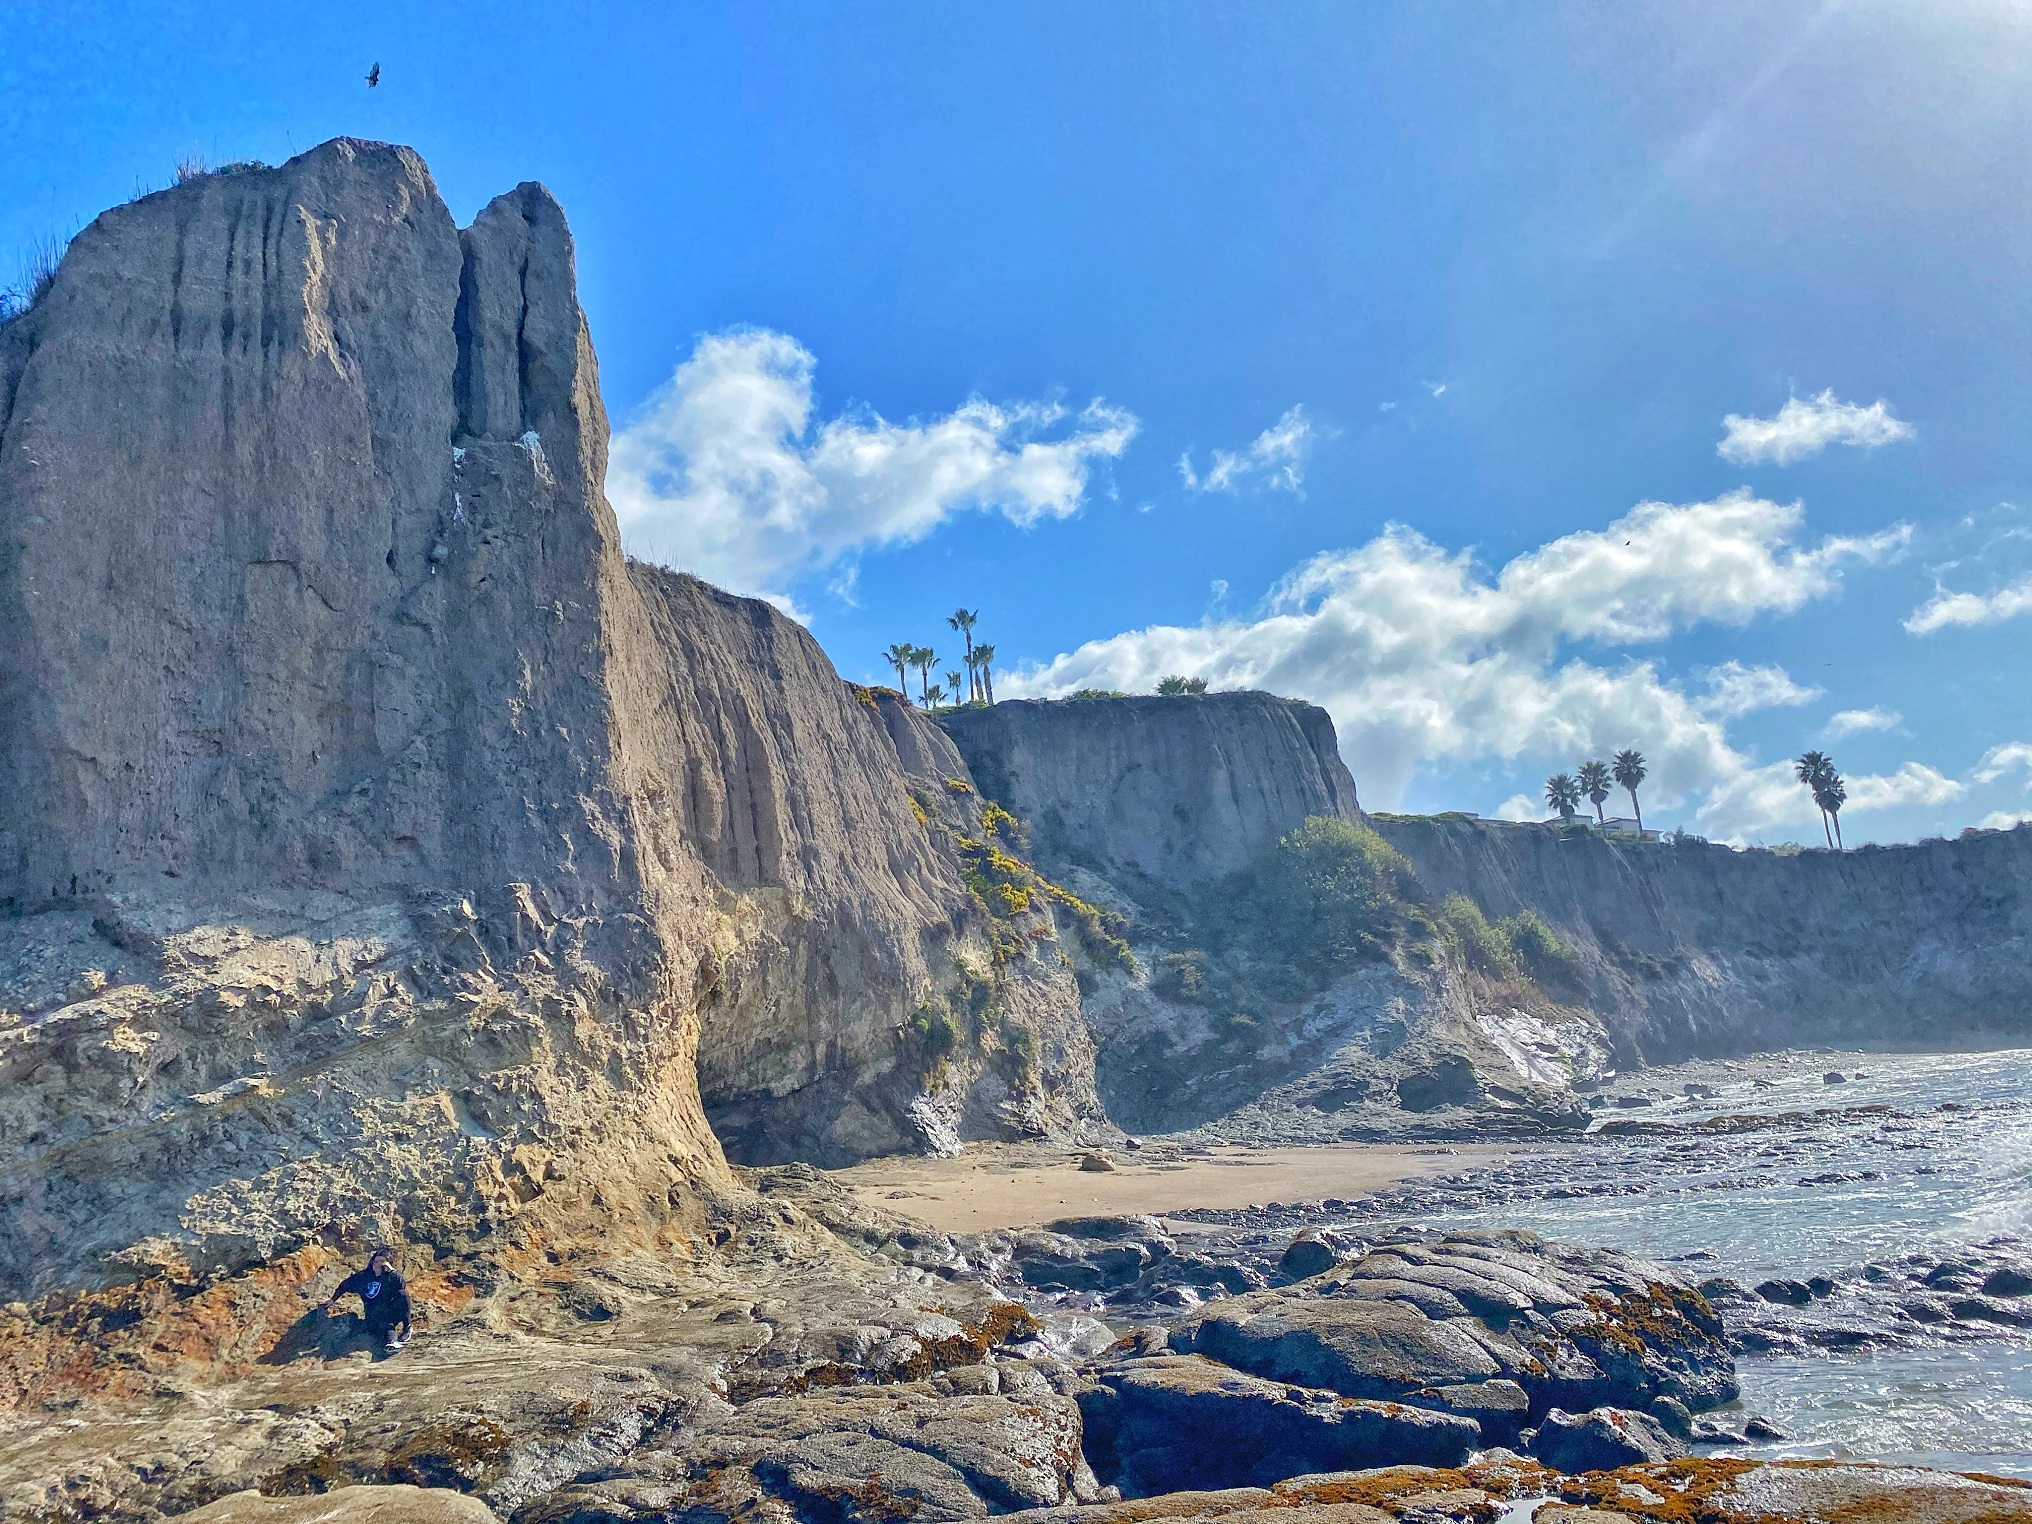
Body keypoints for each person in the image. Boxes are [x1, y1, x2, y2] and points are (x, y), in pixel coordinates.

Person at [321, 1247, 412, 1352]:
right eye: (376, 1261)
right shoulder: (364, 1277)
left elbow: (402, 1287)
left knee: (403, 1294)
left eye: (382, 1261)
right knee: (385, 1327)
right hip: (374, 1315)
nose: (378, 1264)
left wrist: (391, 1271)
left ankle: (407, 1328)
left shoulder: (391, 1277)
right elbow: (345, 1285)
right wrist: (332, 1300)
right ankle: (392, 1344)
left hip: (390, 1312)